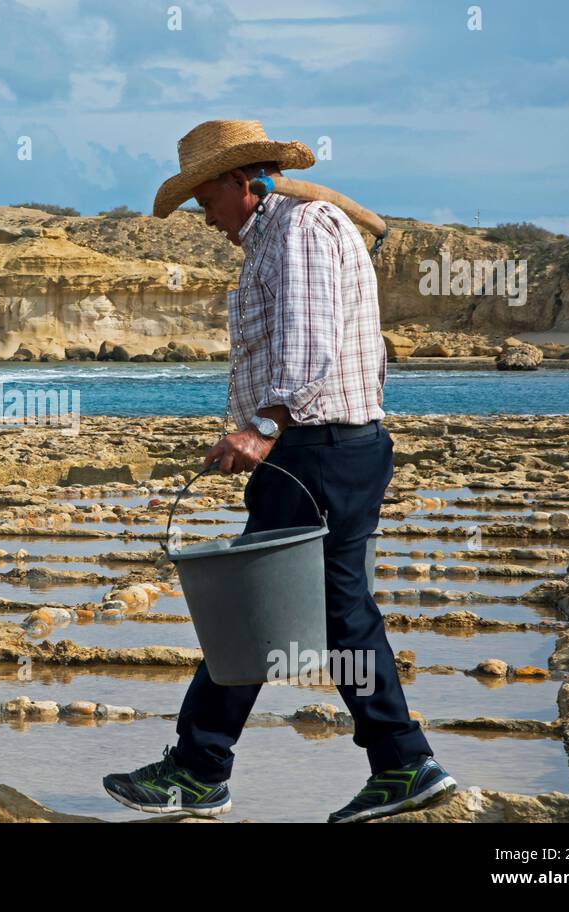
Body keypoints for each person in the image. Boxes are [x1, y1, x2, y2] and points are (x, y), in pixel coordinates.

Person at [102, 120, 457, 823]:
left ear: (242, 181)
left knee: (259, 608)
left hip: (317, 450)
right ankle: (397, 762)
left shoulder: (299, 230)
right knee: (327, 612)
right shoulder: (275, 233)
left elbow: (310, 346)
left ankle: (203, 769)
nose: (204, 219)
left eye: (205, 200)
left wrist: (261, 429)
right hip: (325, 451)